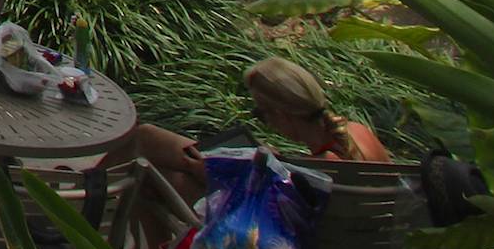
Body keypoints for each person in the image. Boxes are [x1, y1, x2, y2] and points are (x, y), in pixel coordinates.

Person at [129, 57, 392, 206]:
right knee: (148, 138)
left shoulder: (315, 173)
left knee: (151, 175)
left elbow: (271, 218)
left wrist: (211, 174)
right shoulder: (358, 132)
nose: (264, 122)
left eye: (260, 113)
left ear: (281, 114)